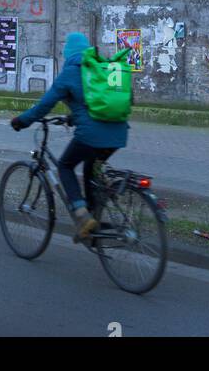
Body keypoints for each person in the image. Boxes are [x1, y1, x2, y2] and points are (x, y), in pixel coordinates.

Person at [11, 31, 129, 241]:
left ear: (67, 54)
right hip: (119, 134)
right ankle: (94, 224)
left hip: (91, 135)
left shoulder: (69, 74)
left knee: (65, 166)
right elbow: (96, 104)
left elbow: (43, 106)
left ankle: (82, 216)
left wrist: (21, 121)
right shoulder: (101, 69)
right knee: (91, 170)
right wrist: (73, 118)